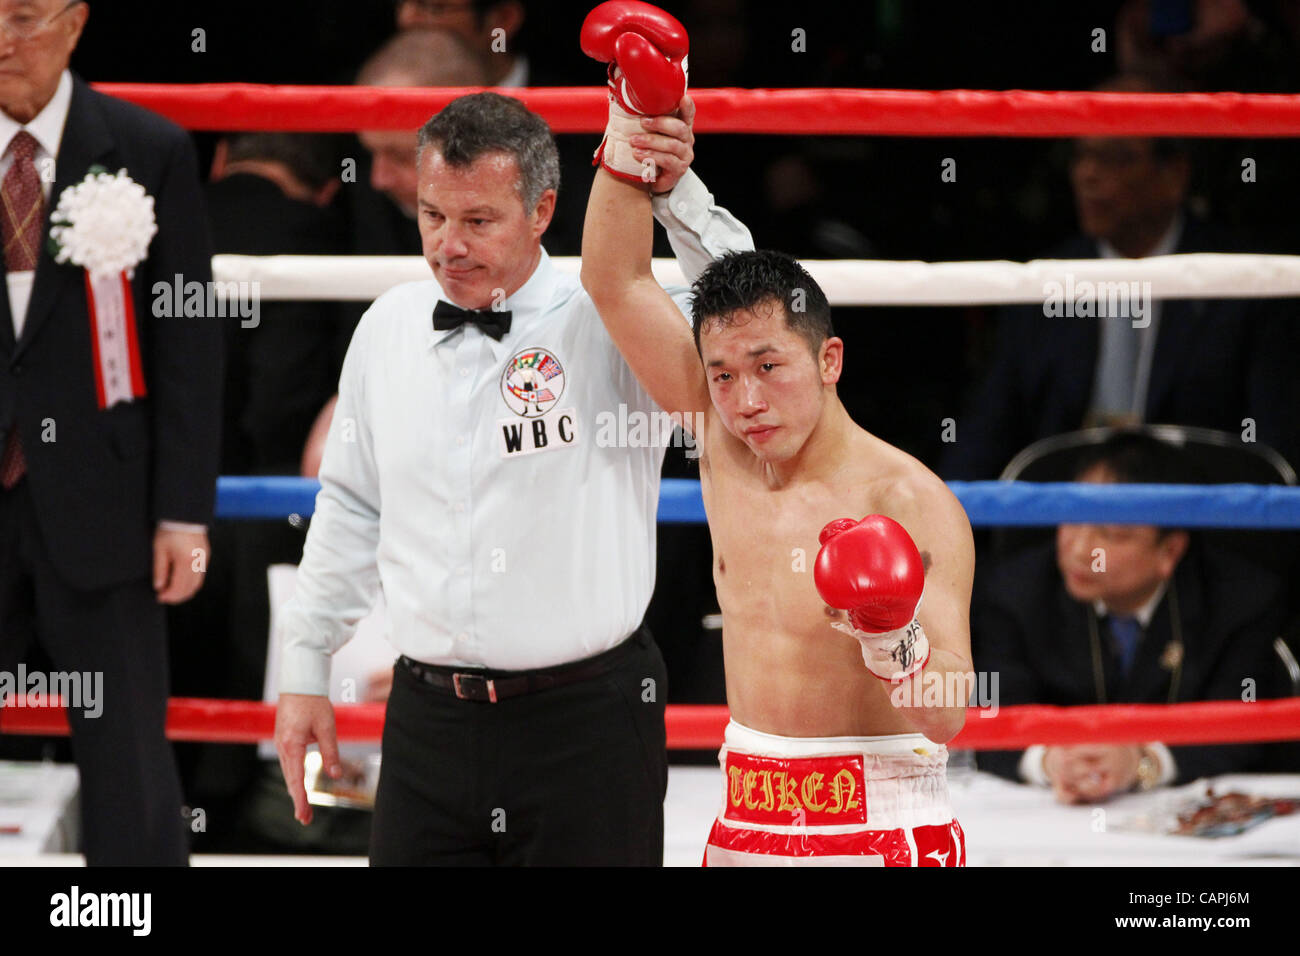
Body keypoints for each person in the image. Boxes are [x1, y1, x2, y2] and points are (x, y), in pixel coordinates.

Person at [272, 85, 753, 865]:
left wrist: (675, 195)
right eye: (433, 215)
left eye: (478, 220)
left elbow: (755, 313)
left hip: (588, 724)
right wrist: (303, 670)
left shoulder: (612, 313)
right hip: (427, 721)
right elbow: (353, 507)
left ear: (541, 210)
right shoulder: (387, 327)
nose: (447, 246)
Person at [579, 3, 975, 865]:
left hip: (882, 823)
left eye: (769, 366)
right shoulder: (722, 442)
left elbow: (950, 710)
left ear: (829, 358)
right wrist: (632, 128)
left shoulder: (906, 499)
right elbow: (612, 281)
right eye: (721, 374)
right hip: (745, 818)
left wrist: (891, 632)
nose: (744, 398)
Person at [0, 0, 222, 864]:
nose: (3, 39)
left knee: (126, 746)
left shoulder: (148, 148)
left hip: (107, 498)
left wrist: (184, 514)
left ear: (76, 22)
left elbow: (188, 345)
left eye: (21, 16)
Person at [941, 73, 1300, 480]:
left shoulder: (1243, 281)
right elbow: (983, 438)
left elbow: (1275, 453)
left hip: (1197, 523)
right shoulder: (1042, 283)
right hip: (1062, 520)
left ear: (1174, 175)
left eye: (1114, 157)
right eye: (1081, 155)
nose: (1088, 175)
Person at [973, 432, 1288, 800]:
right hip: (1050, 809)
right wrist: (1049, 761)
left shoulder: (1240, 600)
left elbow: (1242, 730)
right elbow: (989, 713)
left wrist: (1145, 762)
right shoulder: (1013, 591)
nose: (1079, 549)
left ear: (1170, 549)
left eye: (1110, 533)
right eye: (1071, 518)